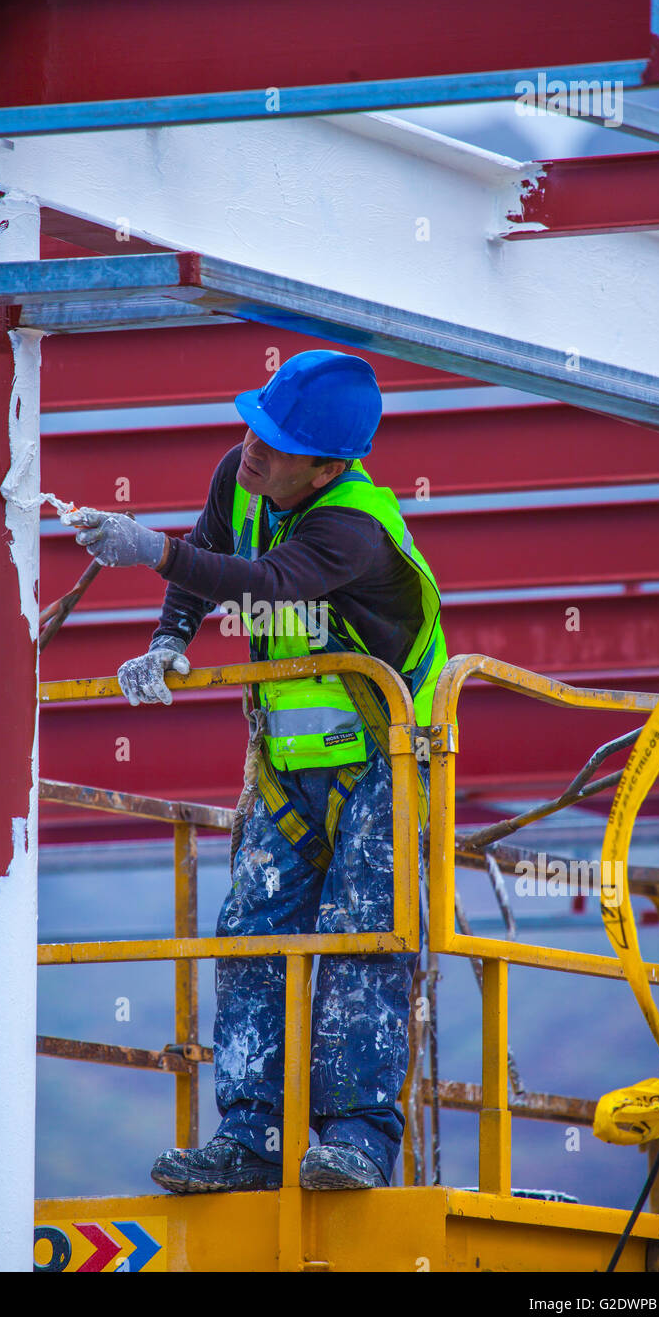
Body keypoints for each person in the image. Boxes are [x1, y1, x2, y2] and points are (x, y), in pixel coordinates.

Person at [70, 349, 447, 1192]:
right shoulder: (243, 475)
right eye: (255, 424)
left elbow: (263, 580)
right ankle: (253, 1138)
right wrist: (170, 639)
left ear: (327, 466)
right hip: (288, 764)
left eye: (277, 442)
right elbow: (213, 553)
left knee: (363, 941)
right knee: (250, 937)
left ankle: (354, 1143)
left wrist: (150, 552)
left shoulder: (354, 528)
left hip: (386, 758)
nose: (253, 446)